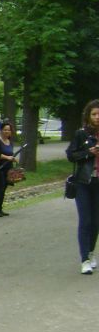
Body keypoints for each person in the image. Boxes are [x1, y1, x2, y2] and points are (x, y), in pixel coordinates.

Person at [65, 99, 99, 274]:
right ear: (88, 116)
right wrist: (89, 152)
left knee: (95, 222)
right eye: (94, 114)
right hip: (84, 182)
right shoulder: (81, 134)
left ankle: (91, 252)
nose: (97, 117)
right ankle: (84, 259)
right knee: (85, 220)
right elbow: (71, 155)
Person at [0, 121, 17, 217]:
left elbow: (10, 154)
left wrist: (12, 159)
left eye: (8, 130)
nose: (7, 131)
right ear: (1, 131)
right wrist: (7, 157)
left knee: (4, 188)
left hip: (7, 169)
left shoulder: (10, 142)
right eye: (5, 130)